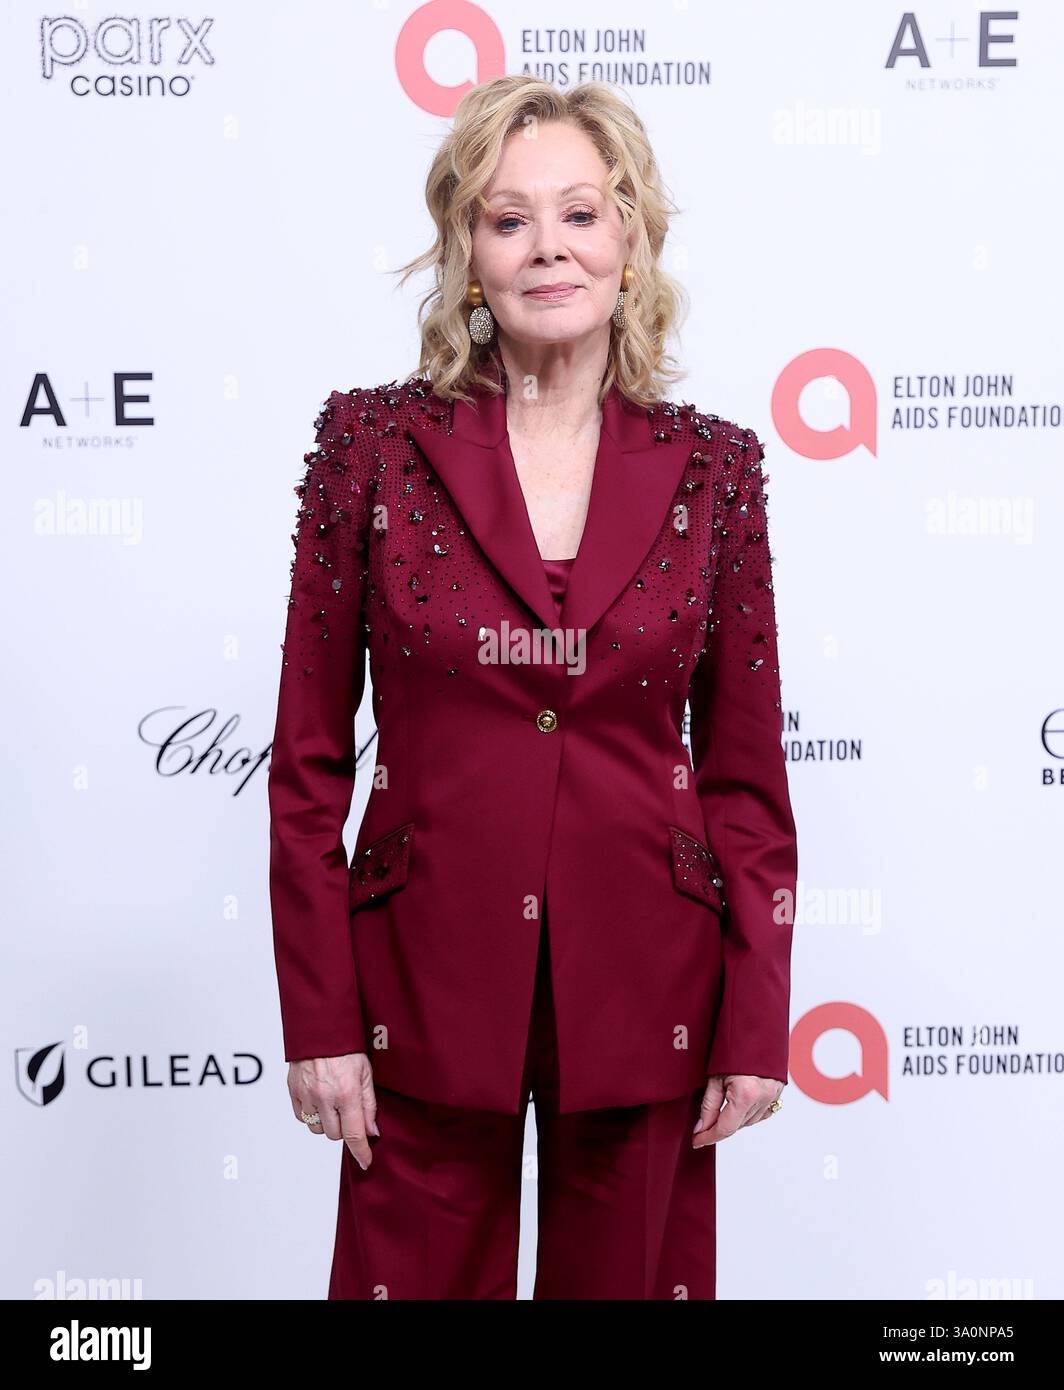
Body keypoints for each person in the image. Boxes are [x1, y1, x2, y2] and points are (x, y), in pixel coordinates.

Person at [267, 75, 798, 1300]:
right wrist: (321, 1019)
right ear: (466, 252)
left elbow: (744, 774)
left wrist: (754, 1019)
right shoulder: (368, 448)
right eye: (509, 221)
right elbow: (305, 767)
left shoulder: (715, 469)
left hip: (650, 985)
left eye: (581, 213)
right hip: (416, 982)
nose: (547, 247)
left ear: (631, 242)